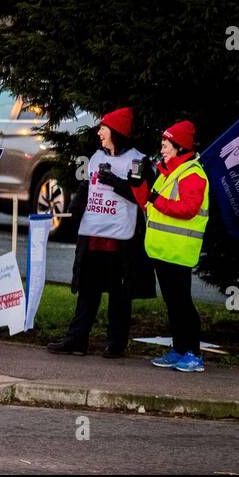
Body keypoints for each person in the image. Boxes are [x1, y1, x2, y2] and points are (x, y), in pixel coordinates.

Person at [47, 107, 155, 357]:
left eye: (103, 128)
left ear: (116, 132)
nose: (99, 132)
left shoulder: (138, 160)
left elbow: (142, 196)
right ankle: (76, 340)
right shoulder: (96, 156)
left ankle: (116, 343)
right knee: (87, 290)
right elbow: (86, 188)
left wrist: (115, 182)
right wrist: (72, 213)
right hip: (93, 236)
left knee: (119, 292)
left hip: (121, 239)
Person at [135, 120, 209, 373]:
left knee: (182, 304)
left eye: (166, 144)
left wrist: (156, 198)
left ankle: (194, 355)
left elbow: (188, 210)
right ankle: (179, 350)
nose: (162, 148)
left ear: (179, 146)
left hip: (179, 251)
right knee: (173, 303)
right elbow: (149, 204)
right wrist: (139, 185)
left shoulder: (192, 174)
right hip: (163, 250)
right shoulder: (168, 173)